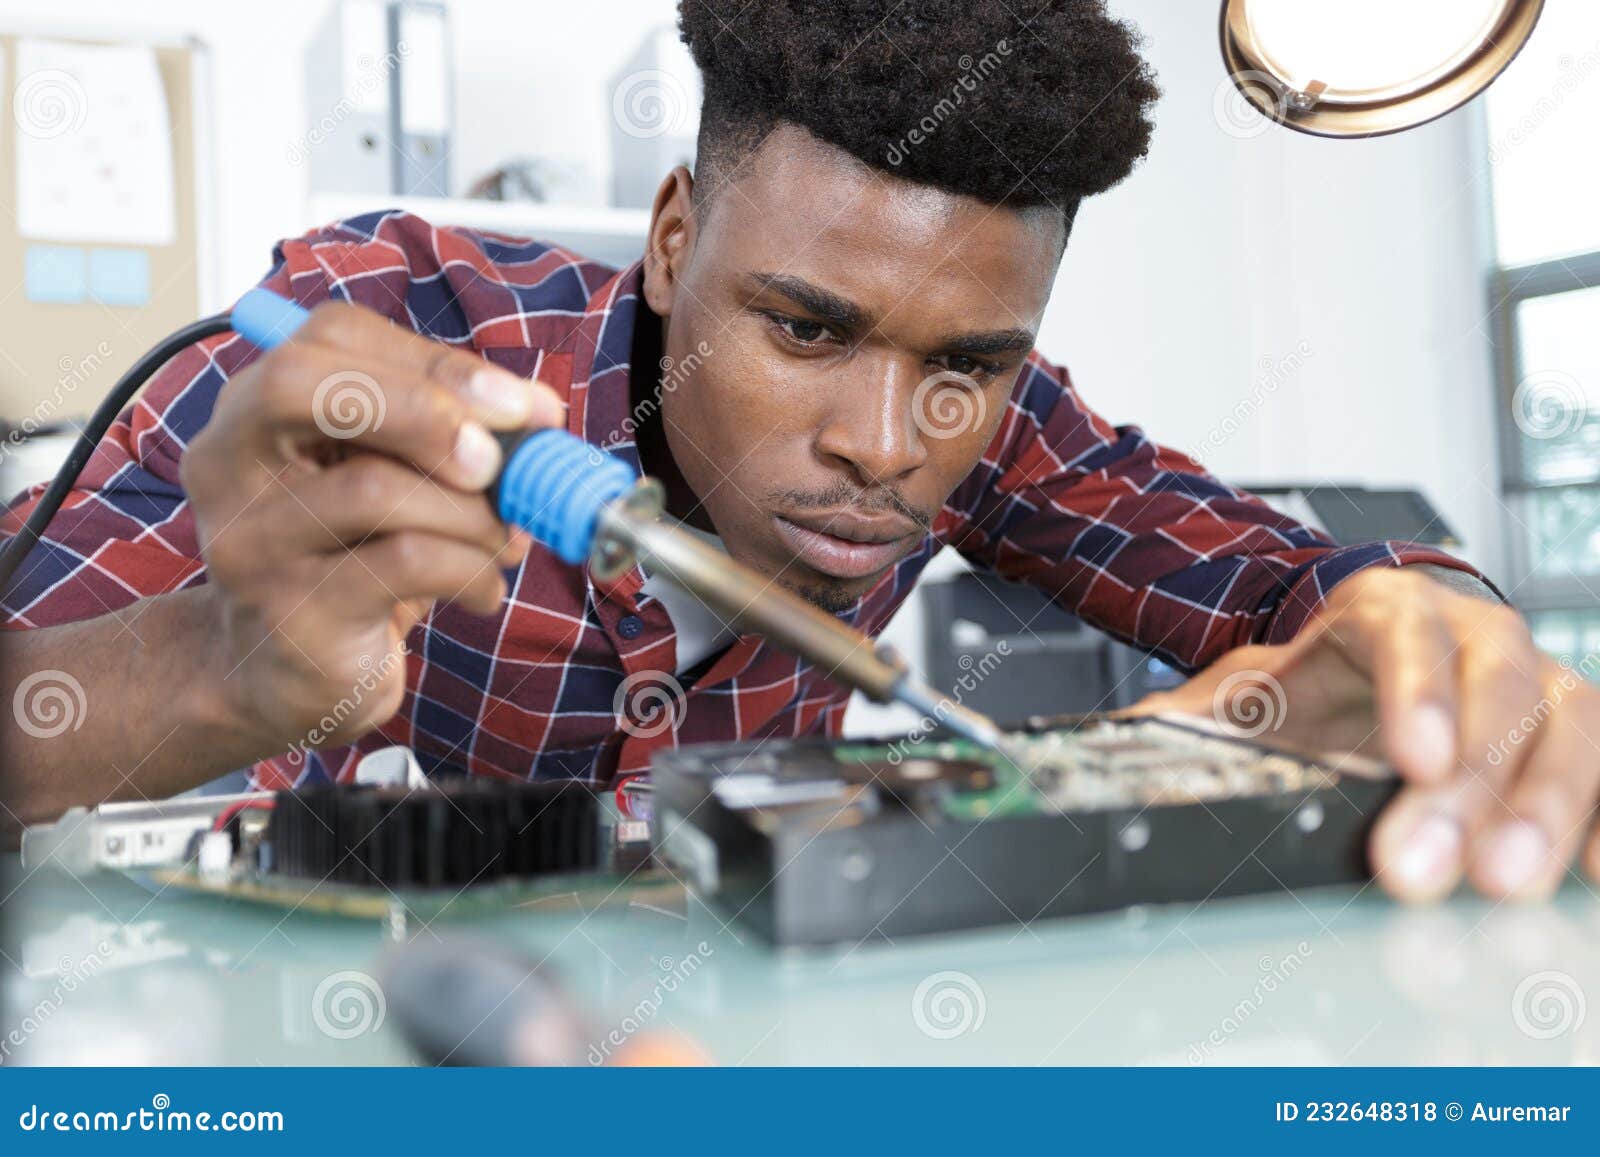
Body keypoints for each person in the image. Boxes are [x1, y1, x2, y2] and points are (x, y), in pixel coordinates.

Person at [3, 1, 1594, 904]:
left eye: (968, 366)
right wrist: (216, 668)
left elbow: (1300, 580)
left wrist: (1450, 627)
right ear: (674, 235)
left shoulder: (984, 425)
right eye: (809, 331)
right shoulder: (384, 325)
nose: (887, 449)